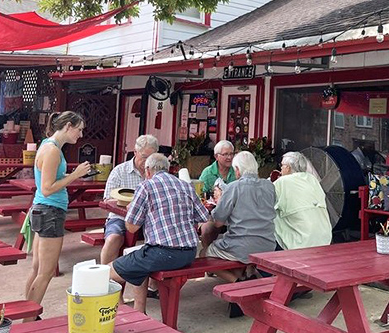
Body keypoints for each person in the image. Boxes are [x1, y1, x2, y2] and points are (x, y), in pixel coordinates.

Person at [110, 153, 209, 314]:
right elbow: (204, 217)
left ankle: (122, 309)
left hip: (163, 253)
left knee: (107, 273)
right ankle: (139, 311)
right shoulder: (186, 185)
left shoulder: (146, 186)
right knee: (139, 257)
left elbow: (131, 227)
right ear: (168, 169)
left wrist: (131, 210)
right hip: (189, 253)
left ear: (148, 171)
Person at [25, 111, 92, 310]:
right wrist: (76, 175)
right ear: (68, 126)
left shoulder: (48, 145)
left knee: (37, 268)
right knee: (46, 272)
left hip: (43, 210)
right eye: (79, 130)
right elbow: (47, 188)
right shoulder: (53, 150)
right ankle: (28, 320)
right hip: (50, 211)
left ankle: (27, 312)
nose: (80, 135)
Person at [200, 151, 276, 283]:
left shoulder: (234, 187)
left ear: (237, 170)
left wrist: (220, 202)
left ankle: (237, 281)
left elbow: (218, 223)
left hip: (241, 246)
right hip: (268, 244)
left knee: (203, 254)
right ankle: (247, 278)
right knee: (240, 257)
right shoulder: (269, 186)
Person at [100, 134, 159, 266]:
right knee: (113, 239)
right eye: (144, 157)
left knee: (165, 240)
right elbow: (108, 200)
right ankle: (104, 279)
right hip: (121, 218)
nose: (147, 161)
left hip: (151, 220)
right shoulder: (120, 171)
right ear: (135, 152)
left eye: (151, 157)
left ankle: (154, 284)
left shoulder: (158, 173)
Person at [273, 152, 332, 250]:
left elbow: (265, 203)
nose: (281, 169)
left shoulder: (282, 182)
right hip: (324, 237)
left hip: (300, 240)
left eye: (282, 166)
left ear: (288, 167)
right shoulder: (313, 180)